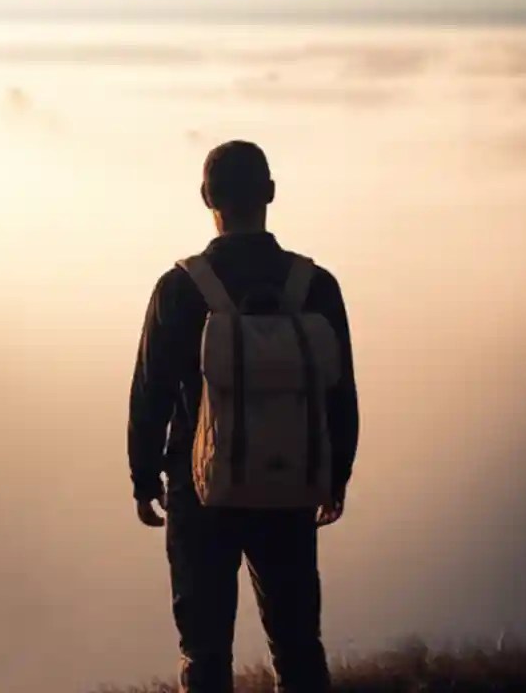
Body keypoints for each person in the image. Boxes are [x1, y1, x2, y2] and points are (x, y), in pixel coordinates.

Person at [126, 141, 359, 693]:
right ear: (271, 194)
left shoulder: (181, 287)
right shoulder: (314, 285)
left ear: (207, 197)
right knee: (298, 644)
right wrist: (335, 475)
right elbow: (340, 390)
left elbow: (150, 391)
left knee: (204, 652)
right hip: (289, 483)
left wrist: (143, 478)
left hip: (198, 489)